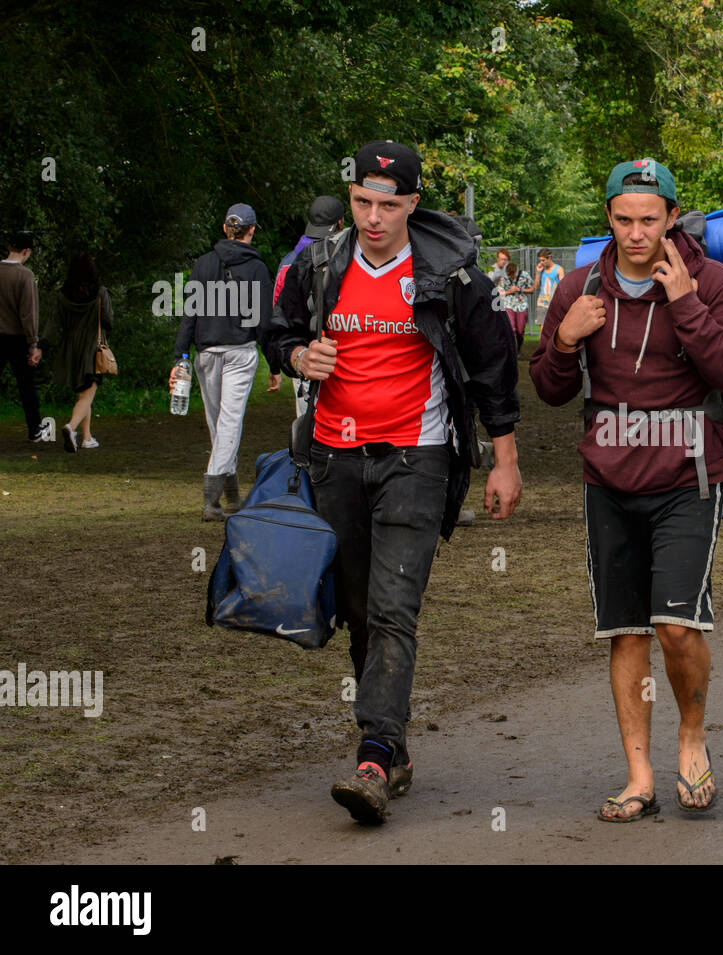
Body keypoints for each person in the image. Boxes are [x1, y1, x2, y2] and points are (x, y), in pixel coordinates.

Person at [267, 140, 522, 824]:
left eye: (389, 204)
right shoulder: (319, 263)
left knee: (392, 607)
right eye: (362, 203)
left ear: (412, 203)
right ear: (349, 200)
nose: (374, 218)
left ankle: (375, 754)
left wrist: (505, 457)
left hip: (418, 456)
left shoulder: (452, 274)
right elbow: (277, 330)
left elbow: (492, 361)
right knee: (356, 605)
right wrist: (298, 354)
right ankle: (393, 747)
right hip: (334, 458)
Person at [529, 158, 723, 821]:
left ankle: (691, 736)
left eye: (649, 220)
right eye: (624, 219)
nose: (635, 233)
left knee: (677, 627)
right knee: (627, 631)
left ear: (672, 216)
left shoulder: (709, 281)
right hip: (609, 477)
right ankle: (638, 775)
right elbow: (549, 387)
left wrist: (684, 301)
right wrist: (566, 341)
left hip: (689, 473)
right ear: (608, 217)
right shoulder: (578, 286)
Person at [170, 203, 279, 520]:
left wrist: (180, 355)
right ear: (252, 230)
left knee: (218, 425)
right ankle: (211, 500)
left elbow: (189, 312)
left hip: (206, 352)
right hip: (240, 352)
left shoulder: (203, 264)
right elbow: (263, 321)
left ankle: (230, 497)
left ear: (224, 229)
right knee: (229, 424)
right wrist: (273, 362)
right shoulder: (257, 268)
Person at [274, 195, 346, 418]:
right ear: (341, 223)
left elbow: (278, 313)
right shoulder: (346, 258)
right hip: (334, 356)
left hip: (300, 355)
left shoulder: (288, 260)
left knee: (305, 420)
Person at [51, 252, 113, 451]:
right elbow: (108, 319)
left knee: (84, 394)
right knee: (88, 395)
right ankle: (71, 427)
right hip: (92, 348)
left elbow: (54, 322)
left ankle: (87, 438)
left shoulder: (63, 294)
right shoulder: (100, 293)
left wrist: (42, 344)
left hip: (70, 349)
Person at [0, 231, 43, 441]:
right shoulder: (25, 275)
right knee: (26, 385)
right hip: (17, 338)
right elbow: (28, 312)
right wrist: (33, 342)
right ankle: (35, 429)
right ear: (26, 251)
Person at [533, 248, 564, 328]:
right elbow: (536, 286)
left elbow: (563, 287)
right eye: (540, 260)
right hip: (542, 303)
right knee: (542, 328)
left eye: (543, 260)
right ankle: (542, 341)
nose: (541, 263)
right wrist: (538, 272)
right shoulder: (541, 269)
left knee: (554, 327)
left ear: (549, 258)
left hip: (554, 303)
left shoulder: (559, 269)